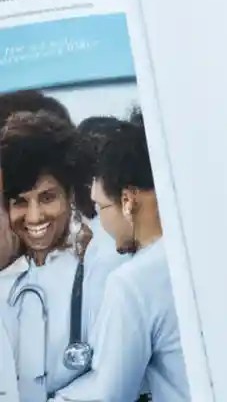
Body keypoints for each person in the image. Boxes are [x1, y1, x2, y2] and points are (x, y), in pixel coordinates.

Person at [54, 114, 189, 402]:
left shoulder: (133, 282)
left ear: (128, 201)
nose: (99, 224)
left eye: (100, 208)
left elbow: (111, 394)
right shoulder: (199, 250)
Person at [1, 111, 126, 401]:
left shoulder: (103, 265)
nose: (34, 217)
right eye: (20, 202)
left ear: (70, 193)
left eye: (47, 197)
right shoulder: (10, 277)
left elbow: (111, 379)